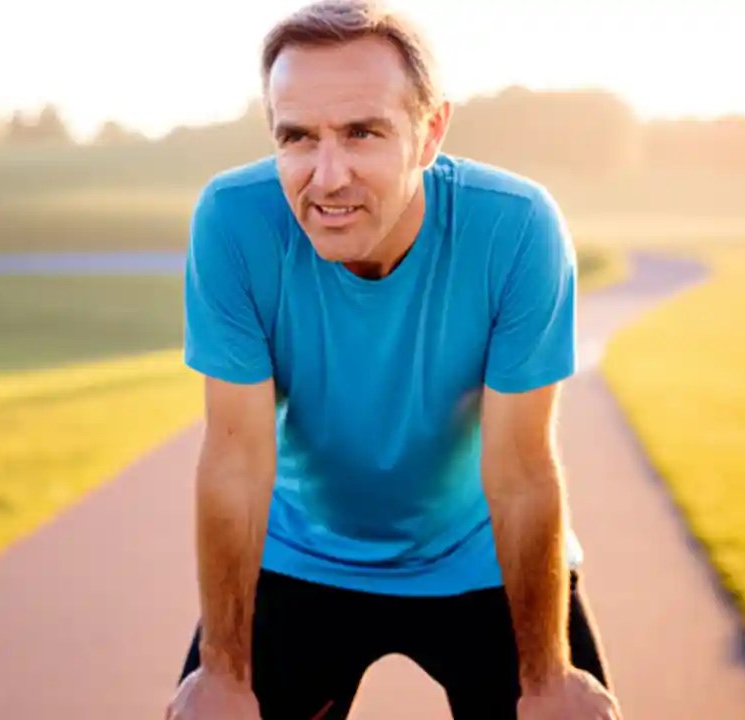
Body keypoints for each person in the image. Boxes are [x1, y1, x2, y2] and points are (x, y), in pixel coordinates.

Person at [167, 1, 622, 718]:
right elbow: (235, 460)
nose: (327, 176)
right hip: (302, 557)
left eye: (362, 133)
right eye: (297, 137)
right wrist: (224, 672)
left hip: (481, 558)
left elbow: (521, 469)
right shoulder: (233, 219)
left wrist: (544, 680)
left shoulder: (516, 227)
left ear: (430, 131)